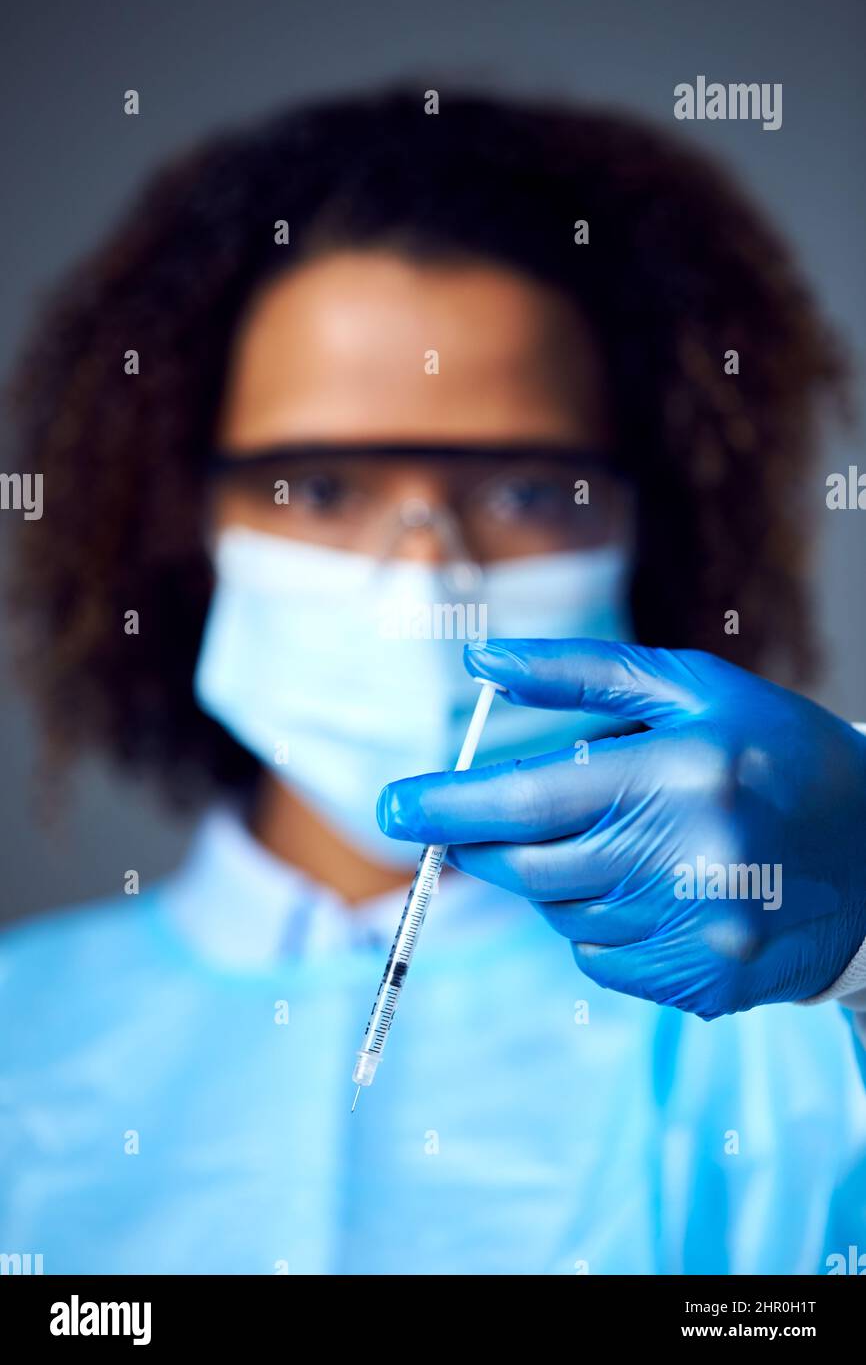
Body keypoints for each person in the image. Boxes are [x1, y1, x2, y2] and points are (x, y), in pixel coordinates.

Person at [2, 84, 865, 1276]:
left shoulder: (803, 1027)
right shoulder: (19, 1037)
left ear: (651, 520)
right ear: (173, 519)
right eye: (318, 488)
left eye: (517, 491)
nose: (422, 576)